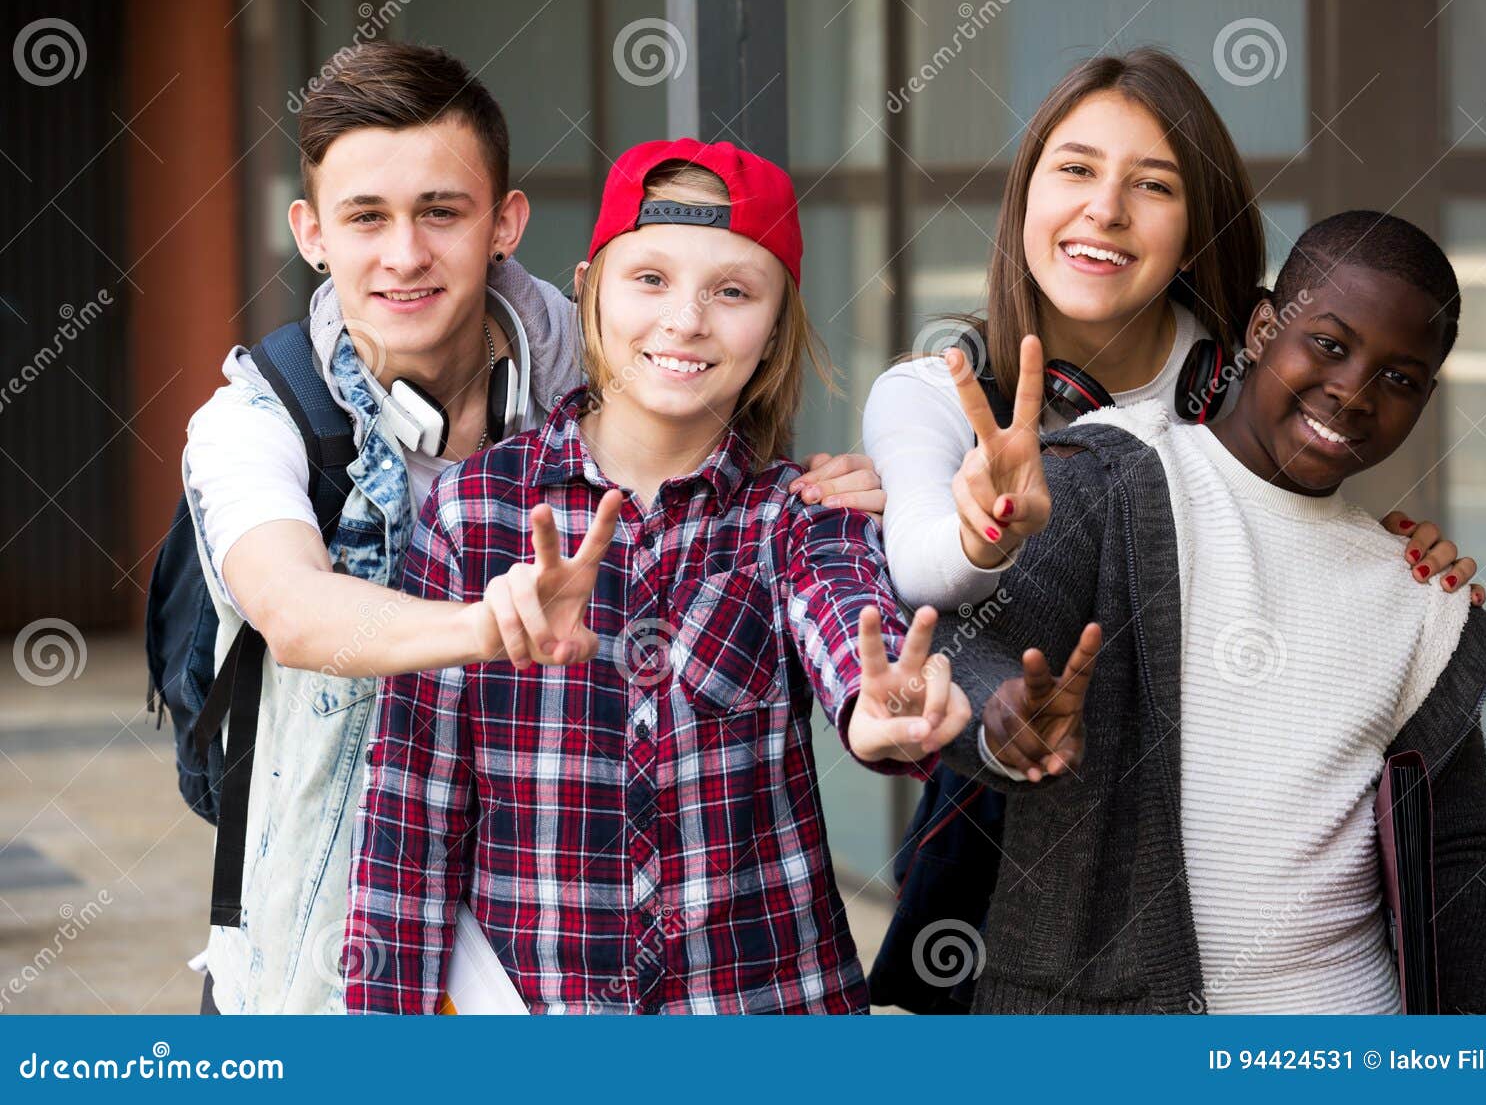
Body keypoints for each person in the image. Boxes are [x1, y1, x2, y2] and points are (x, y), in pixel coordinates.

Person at [183, 43, 880, 1014]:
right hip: (323, 943)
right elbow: (298, 613)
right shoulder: (253, 422)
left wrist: (839, 496)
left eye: (441, 210)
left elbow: (705, 398)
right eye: (365, 217)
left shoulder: (603, 350)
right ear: (310, 233)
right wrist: (487, 626)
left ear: (506, 222)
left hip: (560, 952)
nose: (404, 253)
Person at [344, 139, 1020, 1014]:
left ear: (776, 324)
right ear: (589, 288)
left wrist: (882, 700)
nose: (687, 319)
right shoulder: (473, 512)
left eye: (732, 291)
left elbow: (847, 619)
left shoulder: (799, 514)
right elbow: (411, 812)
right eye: (650, 279)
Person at [936, 211, 1486, 1014]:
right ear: (1262, 326)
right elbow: (975, 645)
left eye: (1400, 378)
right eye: (1329, 343)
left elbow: (1457, 855)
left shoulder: (1416, 594)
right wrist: (1005, 719)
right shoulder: (1111, 480)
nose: (1351, 392)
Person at [862, 47, 1482, 611]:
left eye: (1153, 185)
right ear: (1026, 198)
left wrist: (1394, 562)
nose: (1105, 210)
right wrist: (982, 532)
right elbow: (919, 570)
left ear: (1194, 239)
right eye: (1077, 170)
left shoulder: (1260, 389)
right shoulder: (929, 395)